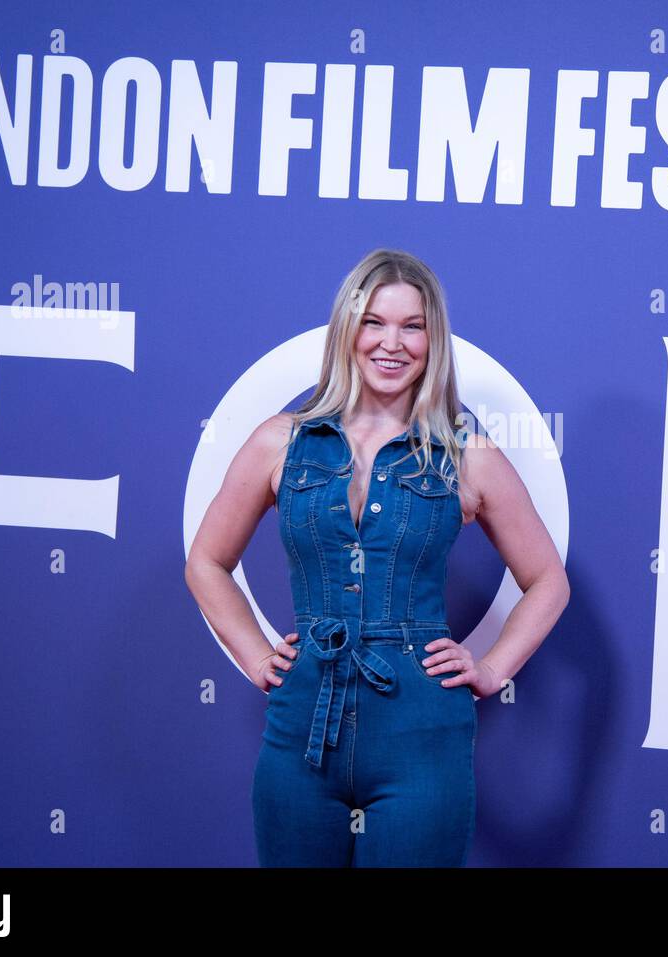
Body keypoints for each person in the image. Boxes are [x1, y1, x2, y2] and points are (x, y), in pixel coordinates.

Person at [184, 248, 570, 866]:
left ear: (432, 339)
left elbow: (548, 580)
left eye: (412, 326)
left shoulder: (466, 452)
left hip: (423, 736)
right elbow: (206, 561)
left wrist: (494, 668)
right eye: (375, 322)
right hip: (302, 729)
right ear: (348, 330)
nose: (393, 343)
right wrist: (257, 655)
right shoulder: (279, 441)